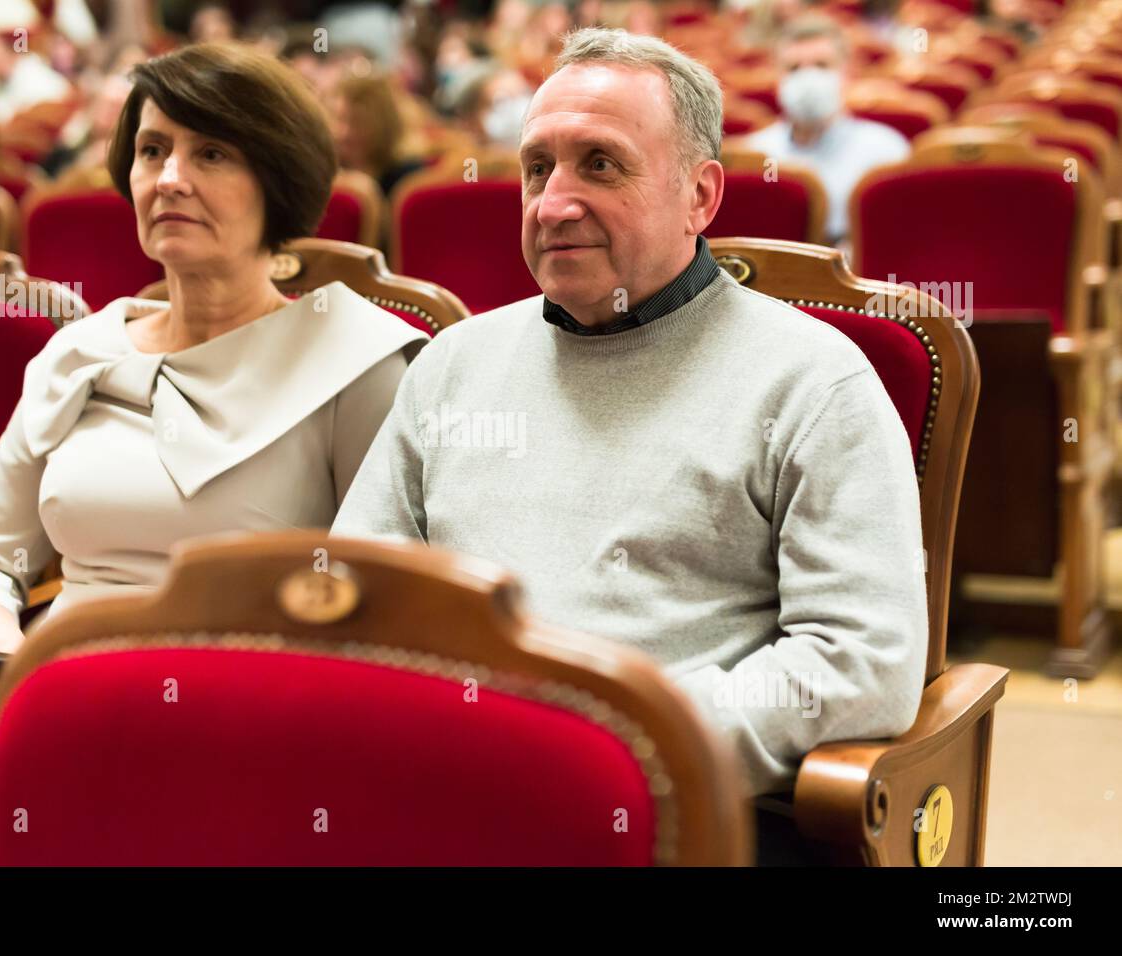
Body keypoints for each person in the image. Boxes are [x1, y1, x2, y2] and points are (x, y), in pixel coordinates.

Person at [333, 28, 927, 815]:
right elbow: (352, 592)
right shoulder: (454, 364)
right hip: (443, 784)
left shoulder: (812, 380)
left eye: (600, 165)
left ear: (701, 196)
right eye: (537, 167)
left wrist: (609, 745)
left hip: (668, 807)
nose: (554, 203)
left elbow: (860, 664)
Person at [0, 43, 427, 653]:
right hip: (59, 693)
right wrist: (3, 659)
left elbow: (389, 596)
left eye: (211, 154)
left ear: (278, 180)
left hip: (254, 704)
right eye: (152, 150)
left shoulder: (354, 357)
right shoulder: (80, 354)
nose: (170, 179)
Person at [746, 15, 909, 244]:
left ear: (847, 74)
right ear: (777, 78)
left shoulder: (886, 152)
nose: (807, 78)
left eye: (822, 65)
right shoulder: (754, 154)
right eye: (793, 68)